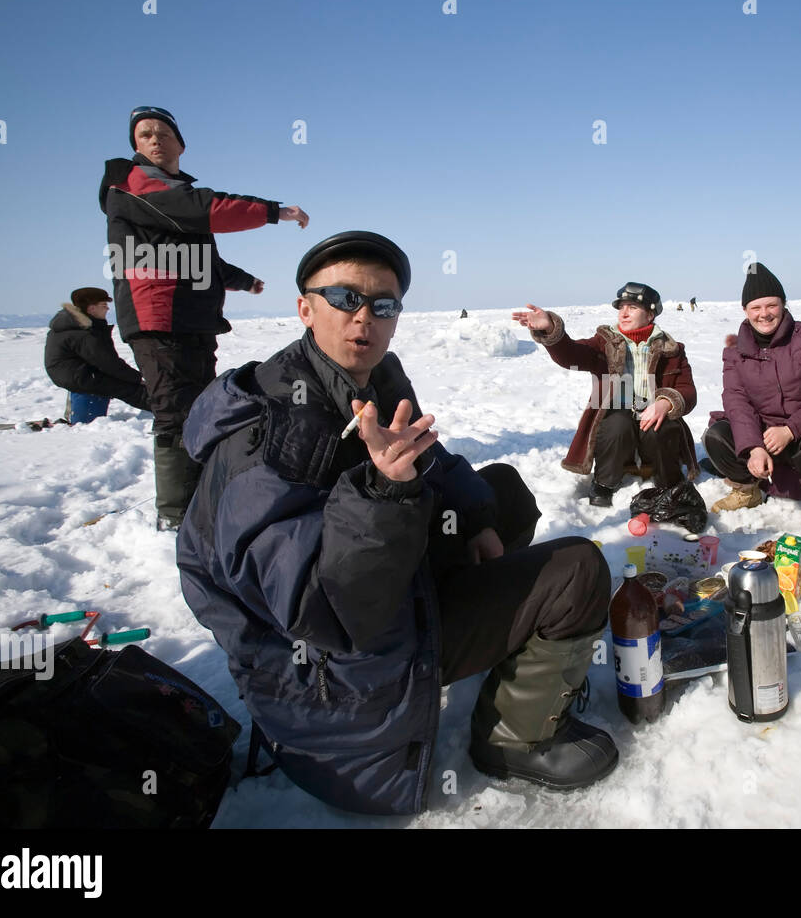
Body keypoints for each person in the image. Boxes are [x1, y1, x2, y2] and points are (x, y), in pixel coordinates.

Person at [176, 231, 618, 816]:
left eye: (383, 305)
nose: (365, 318)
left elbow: (424, 457)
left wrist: (477, 516)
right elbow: (326, 613)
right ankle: (517, 738)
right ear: (305, 308)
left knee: (501, 492)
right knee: (578, 570)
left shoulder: (371, 376)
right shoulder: (274, 438)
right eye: (344, 298)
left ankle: (482, 611)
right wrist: (385, 492)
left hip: (370, 586)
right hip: (324, 680)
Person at [100, 106, 310, 530]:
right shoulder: (132, 182)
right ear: (135, 147)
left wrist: (243, 280)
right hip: (158, 316)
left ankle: (199, 498)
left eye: (163, 133)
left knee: (198, 408)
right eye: (144, 135)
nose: (155, 140)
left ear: (181, 143)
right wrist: (273, 211)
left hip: (190, 317)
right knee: (175, 412)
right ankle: (176, 517)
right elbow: (203, 208)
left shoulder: (171, 197)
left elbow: (198, 256)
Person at [512, 283, 697, 507]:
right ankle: (605, 482)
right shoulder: (605, 342)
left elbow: (687, 390)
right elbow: (571, 355)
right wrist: (551, 328)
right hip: (617, 415)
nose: (624, 313)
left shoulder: (672, 349)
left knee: (661, 427)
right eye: (621, 307)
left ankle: (667, 483)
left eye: (633, 307)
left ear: (650, 315)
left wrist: (665, 403)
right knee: (616, 424)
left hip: (651, 414)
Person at [702, 263, 801, 532]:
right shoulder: (735, 352)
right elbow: (736, 400)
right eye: (756, 308)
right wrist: (753, 446)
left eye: (771, 305)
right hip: (765, 435)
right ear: (745, 311)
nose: (764, 314)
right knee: (717, 435)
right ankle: (747, 490)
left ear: (783, 304)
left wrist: (791, 429)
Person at [44, 287, 151, 422]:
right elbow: (109, 363)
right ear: (91, 309)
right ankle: (166, 408)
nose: (107, 309)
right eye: (104, 305)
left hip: (78, 373)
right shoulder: (83, 333)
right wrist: (138, 379)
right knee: (125, 388)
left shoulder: (79, 325)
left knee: (121, 383)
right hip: (80, 376)